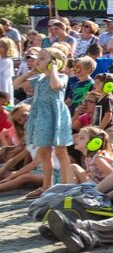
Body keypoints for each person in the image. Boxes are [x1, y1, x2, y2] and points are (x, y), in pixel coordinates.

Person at [16, 47, 75, 197]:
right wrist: (31, 71)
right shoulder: (39, 79)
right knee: (44, 153)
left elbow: (56, 86)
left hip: (56, 116)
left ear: (54, 62)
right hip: (41, 118)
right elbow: (16, 84)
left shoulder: (61, 76)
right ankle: (46, 186)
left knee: (61, 152)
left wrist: (53, 69)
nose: (37, 61)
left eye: (42, 58)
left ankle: (66, 185)